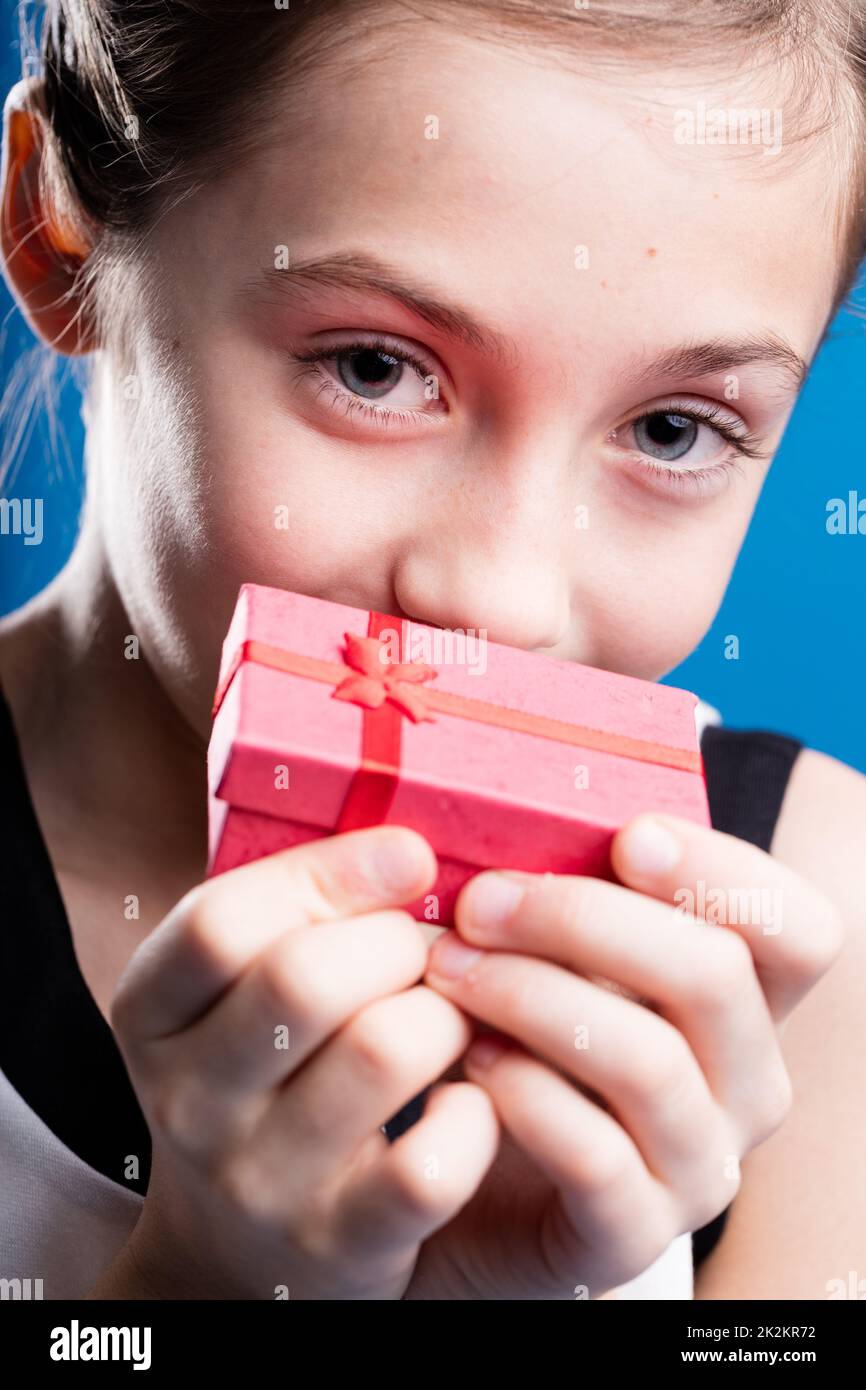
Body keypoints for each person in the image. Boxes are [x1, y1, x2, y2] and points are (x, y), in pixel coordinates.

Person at [0, 0, 861, 1300]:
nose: (506, 601)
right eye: (373, 366)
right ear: (57, 234)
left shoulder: (813, 924)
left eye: (675, 431)